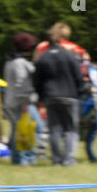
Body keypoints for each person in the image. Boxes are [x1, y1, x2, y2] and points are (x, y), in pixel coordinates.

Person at [32, 37, 84, 165]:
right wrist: (80, 92)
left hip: (50, 97)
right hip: (70, 96)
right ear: (60, 43)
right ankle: (69, 159)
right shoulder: (69, 55)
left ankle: (56, 159)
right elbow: (78, 76)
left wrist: (40, 97)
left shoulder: (43, 57)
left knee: (54, 129)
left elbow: (37, 80)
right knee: (70, 129)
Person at [3, 32, 40, 165]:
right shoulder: (19, 62)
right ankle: (25, 159)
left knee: (17, 130)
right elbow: (20, 84)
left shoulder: (12, 60)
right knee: (33, 128)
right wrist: (26, 101)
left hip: (13, 101)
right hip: (21, 102)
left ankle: (17, 159)